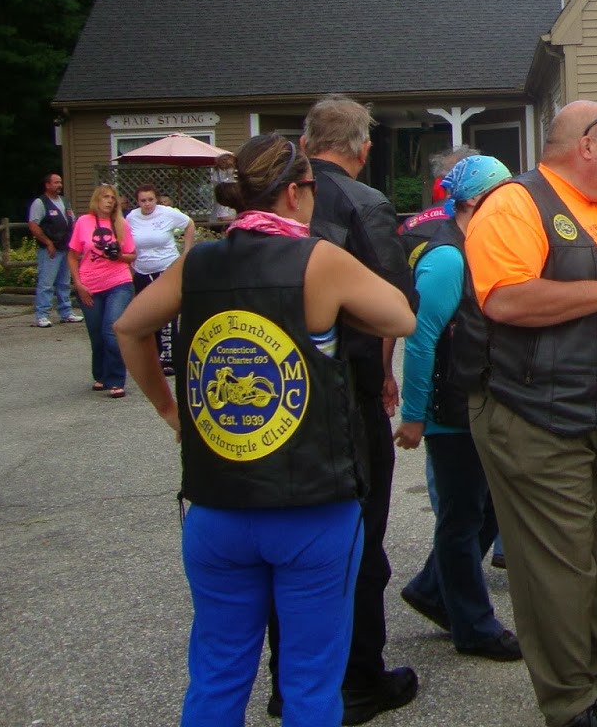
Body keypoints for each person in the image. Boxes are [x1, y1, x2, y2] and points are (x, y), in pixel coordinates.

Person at [113, 133, 418, 727]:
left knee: (218, 670)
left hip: (218, 503)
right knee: (309, 681)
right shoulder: (320, 260)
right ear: (299, 192)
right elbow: (400, 316)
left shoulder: (199, 261)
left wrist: (171, 413)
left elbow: (129, 328)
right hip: (310, 503)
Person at [465, 100, 597, 727]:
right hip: (533, 411)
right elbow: (505, 300)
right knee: (556, 565)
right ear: (586, 145)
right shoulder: (515, 204)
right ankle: (569, 703)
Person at [269, 96, 420, 725]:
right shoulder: (365, 203)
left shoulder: (275, 203)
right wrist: (384, 370)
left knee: (290, 544)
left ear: (306, 144)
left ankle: (287, 682)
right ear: (362, 148)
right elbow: (391, 304)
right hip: (344, 393)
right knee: (358, 541)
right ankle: (358, 679)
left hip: (276, 389)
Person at [395, 154, 522, 662]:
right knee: (462, 515)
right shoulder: (449, 256)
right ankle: (474, 626)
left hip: (475, 397)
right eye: (503, 195)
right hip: (450, 407)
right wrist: (413, 413)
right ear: (475, 200)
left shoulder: (476, 243)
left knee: (487, 506)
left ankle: (431, 588)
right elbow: (421, 340)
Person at [67, 183, 136, 398]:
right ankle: (100, 375)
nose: (109, 201)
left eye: (113, 197)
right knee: (96, 333)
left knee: (110, 330)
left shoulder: (121, 224)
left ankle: (116, 379)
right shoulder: (83, 222)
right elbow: (72, 255)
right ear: (97, 199)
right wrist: (78, 283)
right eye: (105, 197)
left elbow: (132, 255)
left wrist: (118, 256)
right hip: (90, 285)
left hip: (118, 282)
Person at [126, 184, 195, 375]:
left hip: (165, 267)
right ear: (137, 202)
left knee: (166, 315)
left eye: (150, 200)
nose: (147, 204)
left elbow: (189, 224)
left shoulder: (167, 213)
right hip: (142, 270)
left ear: (156, 199)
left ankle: (170, 358)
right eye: (143, 201)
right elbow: (126, 240)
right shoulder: (132, 217)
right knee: (147, 314)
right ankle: (152, 356)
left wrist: (186, 252)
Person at [28, 171, 82, 328]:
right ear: (47, 185)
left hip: (65, 247)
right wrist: (47, 242)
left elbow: (73, 221)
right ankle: (42, 315)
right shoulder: (40, 203)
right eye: (56, 182)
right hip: (50, 250)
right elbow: (33, 225)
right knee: (46, 283)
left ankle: (66, 313)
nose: (59, 185)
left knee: (64, 282)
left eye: (60, 182)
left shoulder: (65, 202)